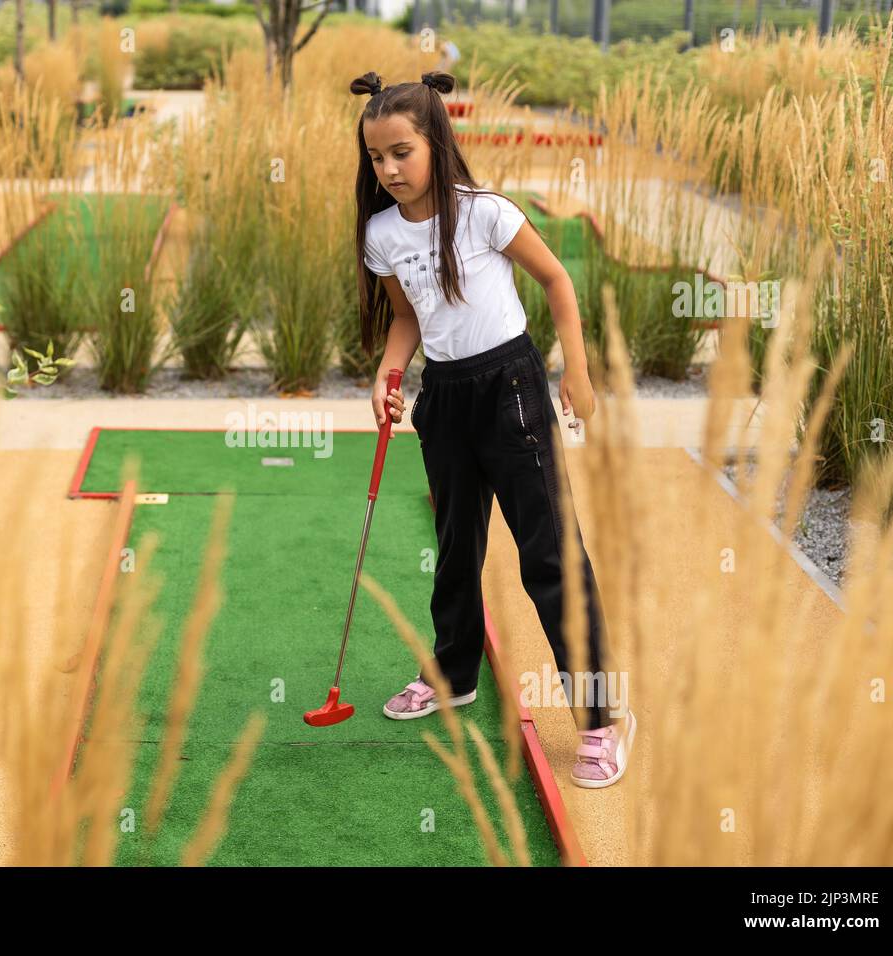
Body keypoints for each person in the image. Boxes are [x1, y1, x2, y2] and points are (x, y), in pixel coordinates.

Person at [349, 70, 635, 789]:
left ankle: (601, 719)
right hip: (444, 398)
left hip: (511, 389)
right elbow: (408, 317)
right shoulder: (382, 232)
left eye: (401, 153)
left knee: (548, 553)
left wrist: (577, 370)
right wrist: (388, 378)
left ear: (436, 143)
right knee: (455, 547)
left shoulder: (484, 213)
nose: (388, 170)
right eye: (377, 158)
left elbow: (557, 281)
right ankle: (453, 673)